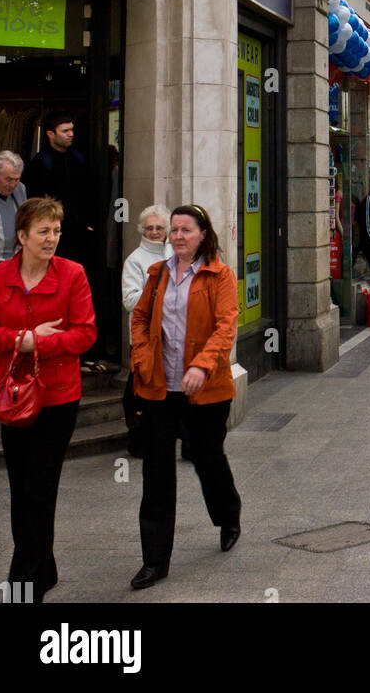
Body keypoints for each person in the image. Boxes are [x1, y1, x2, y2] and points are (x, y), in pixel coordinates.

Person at [129, 203, 241, 589]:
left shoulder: (220, 275)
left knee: (207, 459)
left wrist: (201, 366)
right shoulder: (157, 274)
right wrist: (142, 356)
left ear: (203, 235)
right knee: (156, 472)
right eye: (174, 230)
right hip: (159, 388)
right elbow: (140, 317)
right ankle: (154, 560)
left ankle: (228, 514)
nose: (177, 236)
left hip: (206, 390)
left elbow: (226, 326)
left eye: (185, 230)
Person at [0, 196, 96, 601]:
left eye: (56, 231)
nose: (52, 238)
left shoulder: (73, 274)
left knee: (41, 485)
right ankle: (44, 567)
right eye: (43, 231)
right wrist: (28, 340)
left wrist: (46, 347)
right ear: (22, 236)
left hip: (58, 398)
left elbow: (85, 333)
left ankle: (23, 582)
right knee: (22, 487)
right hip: (12, 397)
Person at [121, 205, 172, 456]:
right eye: (149, 228)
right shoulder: (135, 260)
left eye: (159, 228)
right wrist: (160, 296)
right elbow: (130, 300)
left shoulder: (175, 254)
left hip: (170, 337)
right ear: (142, 229)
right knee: (139, 390)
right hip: (143, 338)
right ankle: (138, 440)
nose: (154, 232)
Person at [23, 114, 94, 268]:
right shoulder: (40, 164)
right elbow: (34, 202)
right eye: (65, 131)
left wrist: (88, 223)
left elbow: (89, 194)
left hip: (79, 234)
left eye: (72, 130)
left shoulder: (79, 159)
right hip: (53, 233)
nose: (71, 134)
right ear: (50, 134)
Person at [0, 151, 27, 264]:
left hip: (17, 262)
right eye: (8, 179)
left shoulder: (20, 189)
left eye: (17, 179)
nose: (13, 185)